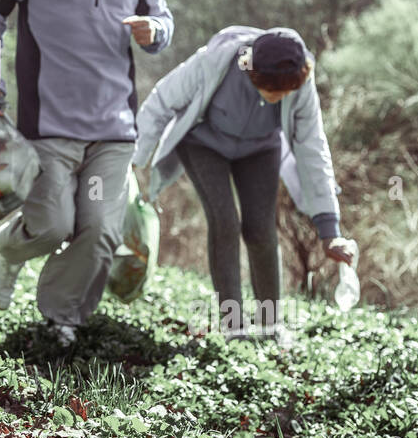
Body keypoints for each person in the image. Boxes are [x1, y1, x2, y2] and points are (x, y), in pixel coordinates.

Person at [0, 0, 173, 345]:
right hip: (50, 126)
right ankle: (8, 250)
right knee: (51, 225)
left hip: (113, 130)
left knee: (101, 228)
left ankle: (62, 319)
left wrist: (154, 32)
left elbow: (164, 24)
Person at [132, 26, 358, 343]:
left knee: (260, 229)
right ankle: (234, 326)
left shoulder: (300, 83)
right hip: (203, 143)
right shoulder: (214, 63)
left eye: (285, 94)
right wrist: (134, 158)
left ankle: (269, 325)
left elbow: (312, 147)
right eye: (271, 91)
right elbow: (161, 101)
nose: (279, 98)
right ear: (250, 70)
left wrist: (329, 231)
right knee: (224, 221)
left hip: (260, 149)